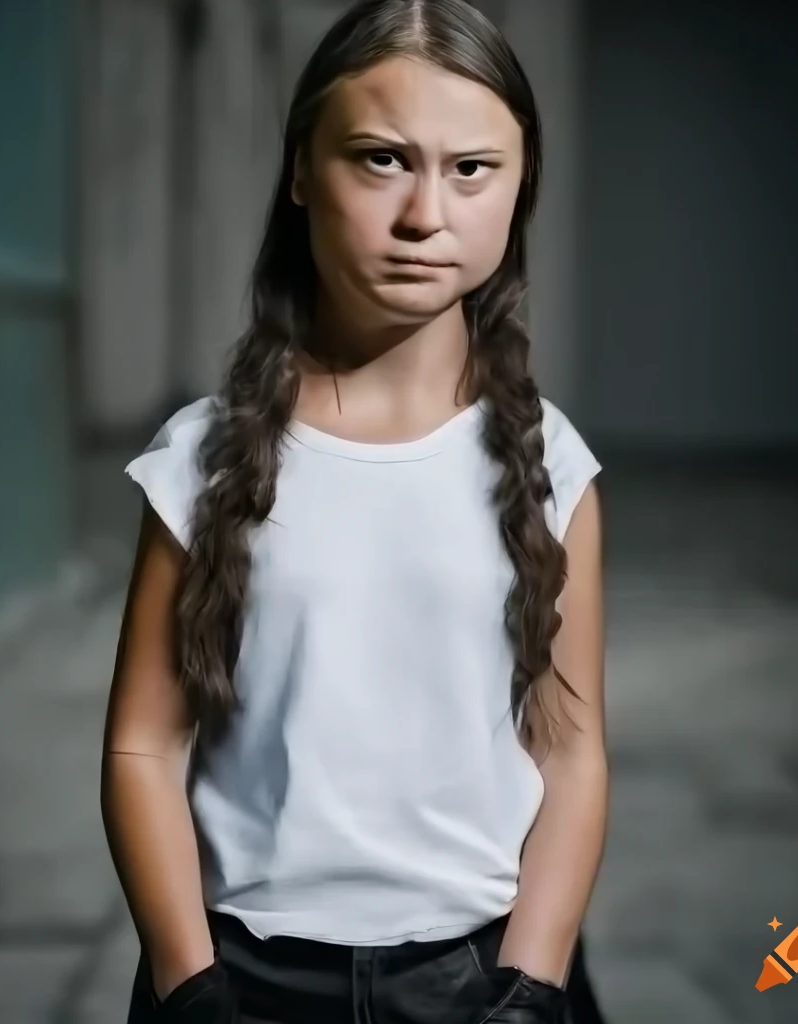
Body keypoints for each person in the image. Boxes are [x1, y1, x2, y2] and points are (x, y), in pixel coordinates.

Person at [102, 1, 609, 1021]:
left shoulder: (548, 461)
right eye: (380, 160)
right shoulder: (205, 458)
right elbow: (142, 746)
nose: (426, 212)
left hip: (479, 976)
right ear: (300, 173)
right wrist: (186, 979)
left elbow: (571, 749)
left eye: (472, 169)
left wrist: (533, 983)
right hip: (245, 974)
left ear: (519, 190)